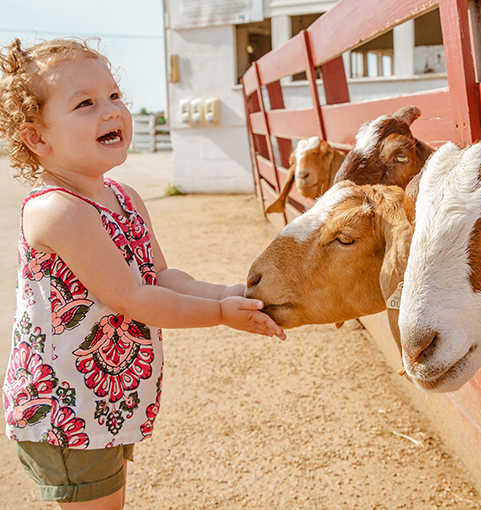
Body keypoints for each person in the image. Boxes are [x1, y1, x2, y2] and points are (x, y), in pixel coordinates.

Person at [0, 38, 285, 509]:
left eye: (114, 96)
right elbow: (133, 296)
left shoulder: (125, 196)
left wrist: (230, 292)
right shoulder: (57, 211)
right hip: (64, 405)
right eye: (86, 103)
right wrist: (218, 314)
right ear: (37, 138)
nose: (110, 111)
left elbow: (162, 278)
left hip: (103, 399)